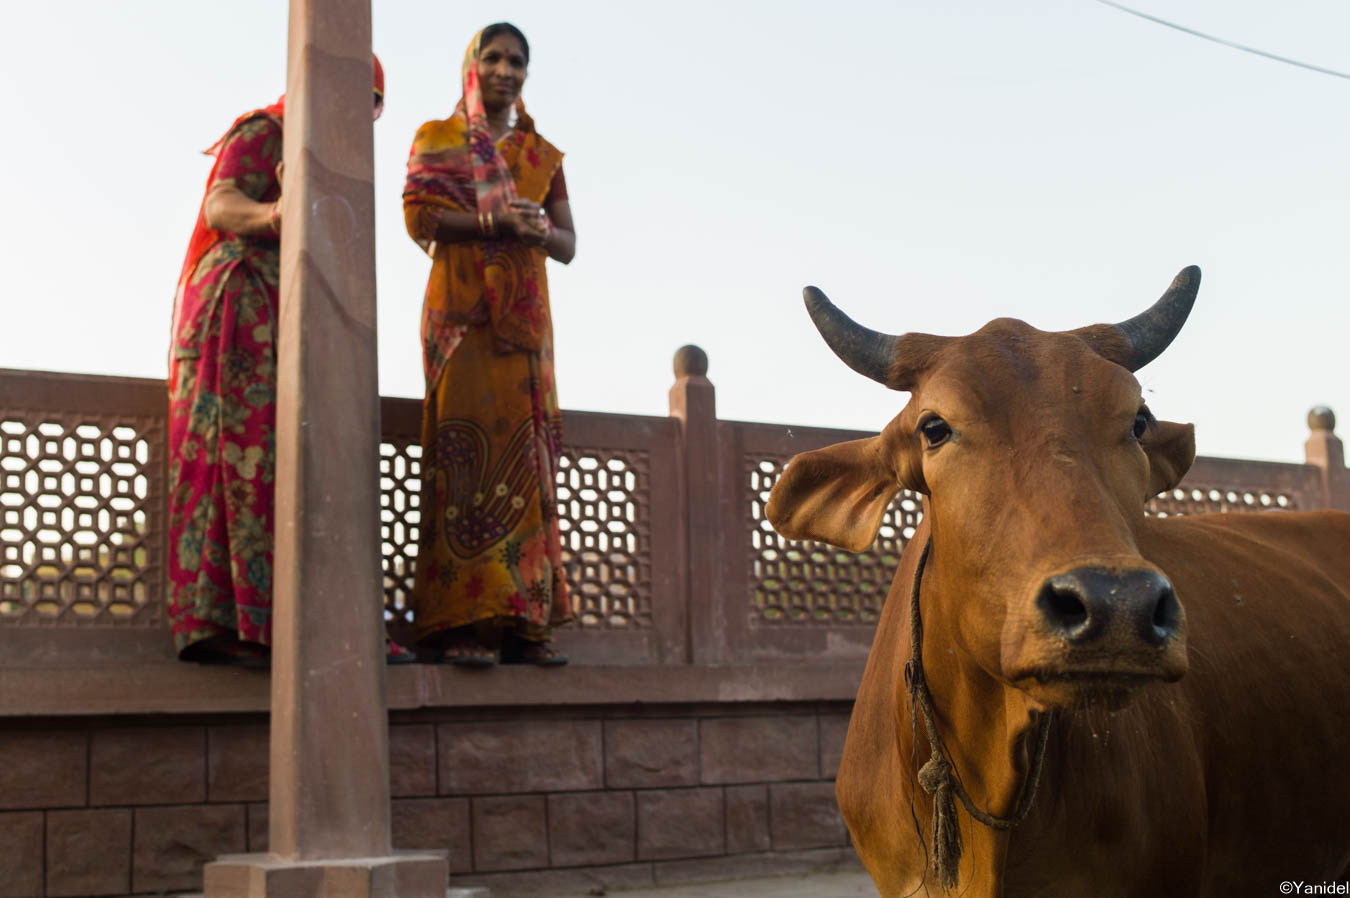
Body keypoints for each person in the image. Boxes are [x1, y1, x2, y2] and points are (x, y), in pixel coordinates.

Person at [168, 58, 390, 664]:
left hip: (298, 318)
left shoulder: (339, 165)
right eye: (344, 90)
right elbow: (221, 206)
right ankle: (226, 627)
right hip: (240, 307)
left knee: (305, 463)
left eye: (369, 100)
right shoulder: (266, 132)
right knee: (240, 457)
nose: (354, 106)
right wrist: (275, 214)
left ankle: (296, 623)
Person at [403, 23, 577, 666]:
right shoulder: (438, 139)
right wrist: (491, 222)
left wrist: (531, 230)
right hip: (461, 321)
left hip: (525, 331)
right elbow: (417, 217)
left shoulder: (542, 156)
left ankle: (525, 625)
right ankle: (464, 624)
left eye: (518, 61)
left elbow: (569, 244)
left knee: (526, 468)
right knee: (464, 461)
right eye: (494, 56)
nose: (506, 69)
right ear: (471, 65)